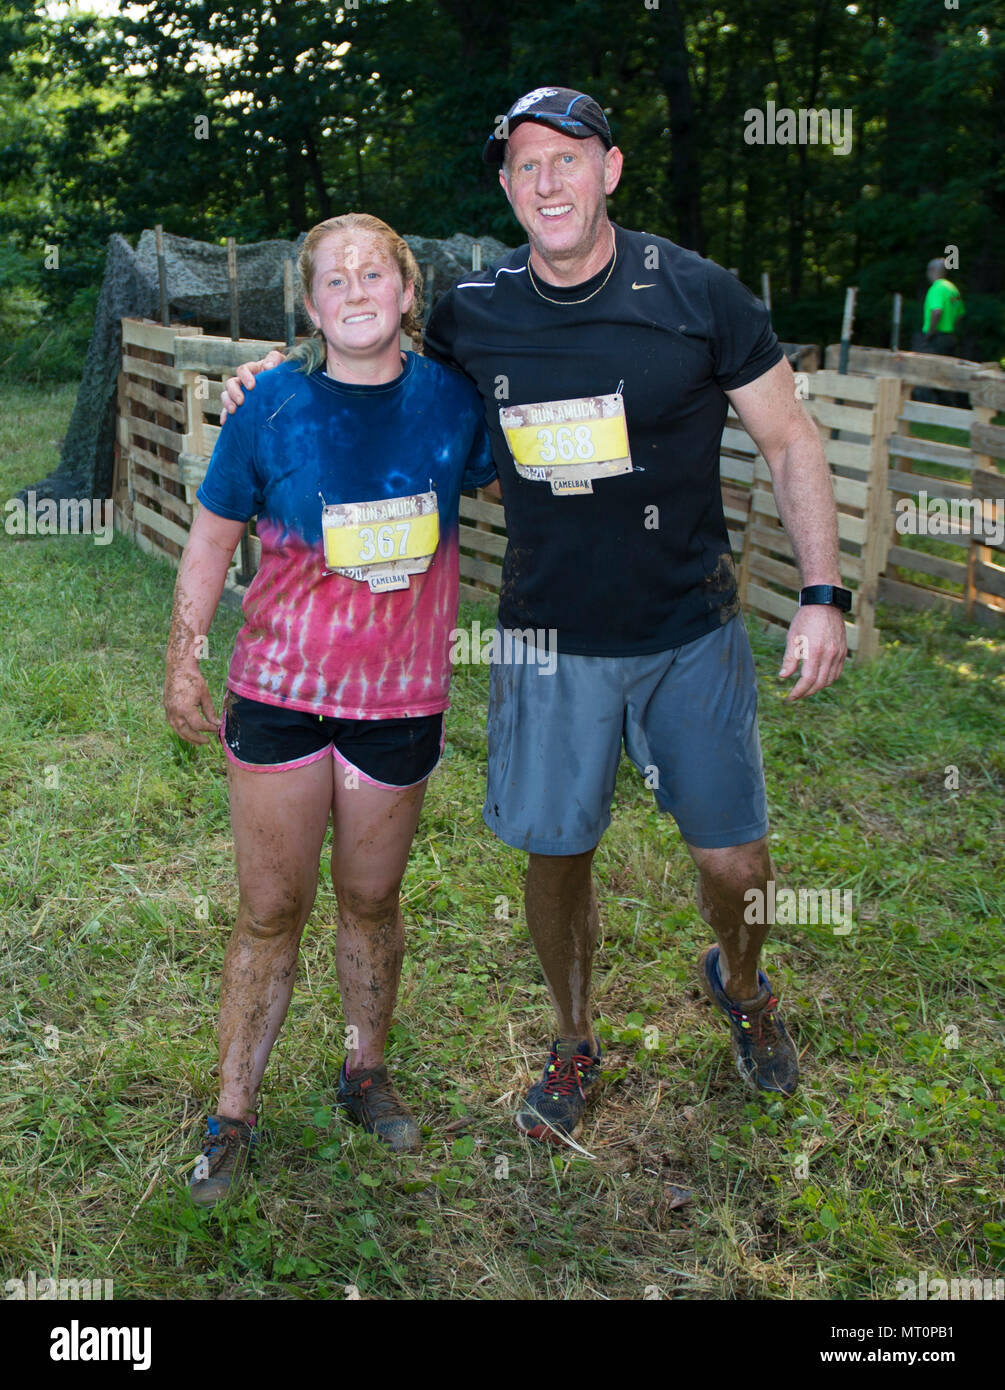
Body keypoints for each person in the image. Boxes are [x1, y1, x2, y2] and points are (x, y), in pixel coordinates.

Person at [220, 88, 850, 1146]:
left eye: (567, 159)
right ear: (507, 187)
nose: (546, 181)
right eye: (523, 165)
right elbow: (377, 375)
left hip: (688, 628)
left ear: (609, 170)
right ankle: (572, 1036)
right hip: (549, 639)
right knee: (557, 853)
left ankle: (742, 984)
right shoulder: (478, 309)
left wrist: (824, 595)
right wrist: (268, 381)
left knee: (735, 861)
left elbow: (790, 440)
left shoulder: (698, 294)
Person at [163, 212, 495, 1204]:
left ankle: (365, 1069)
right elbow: (213, 535)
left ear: (406, 294)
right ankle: (232, 1112)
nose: (355, 291)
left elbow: (536, 468)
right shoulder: (268, 403)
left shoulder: (453, 404)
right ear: (310, 306)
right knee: (270, 910)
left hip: (398, 703)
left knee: (370, 901)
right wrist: (186, 655)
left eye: (374, 274)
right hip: (280, 695)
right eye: (334, 280)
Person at [921, 257, 965, 358]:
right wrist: (949, 325)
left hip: (936, 339)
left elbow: (937, 312)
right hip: (950, 338)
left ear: (931, 270)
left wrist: (930, 333)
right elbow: (960, 314)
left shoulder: (936, 288)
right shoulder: (953, 289)